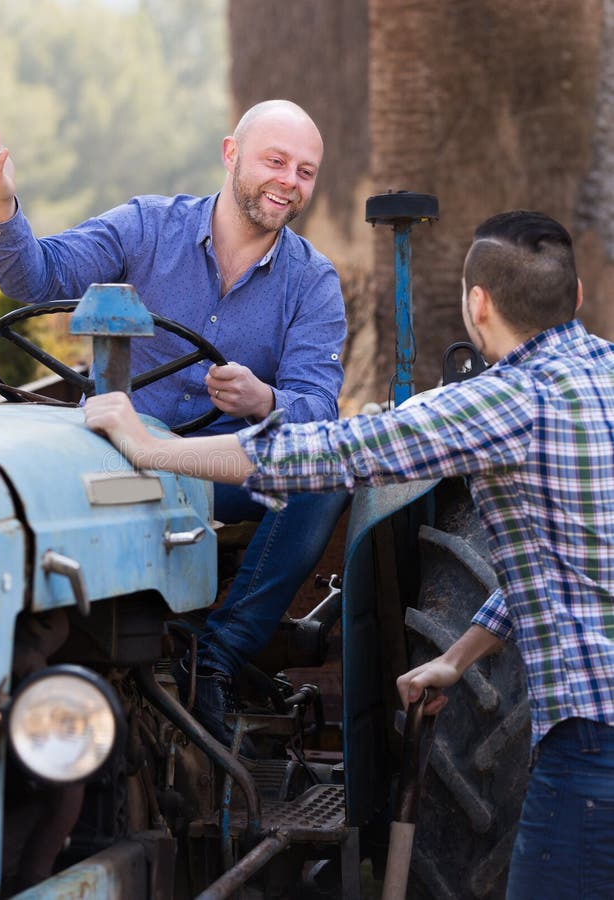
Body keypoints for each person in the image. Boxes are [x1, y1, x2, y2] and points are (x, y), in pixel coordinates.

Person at [83, 210, 614, 898]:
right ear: (576, 297)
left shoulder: (505, 401)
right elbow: (566, 560)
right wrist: (458, 657)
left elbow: (331, 452)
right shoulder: (603, 371)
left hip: (591, 745)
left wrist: (149, 447)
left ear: (476, 304)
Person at [0, 101, 348, 756]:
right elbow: (38, 276)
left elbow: (317, 411)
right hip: (113, 463)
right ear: (231, 154)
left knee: (322, 473)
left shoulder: (311, 283)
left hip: (214, 473)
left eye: (305, 171)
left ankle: (217, 657)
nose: (289, 181)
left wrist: (263, 398)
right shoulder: (146, 228)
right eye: (275, 161)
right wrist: (4, 204)